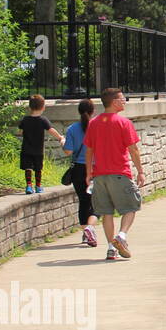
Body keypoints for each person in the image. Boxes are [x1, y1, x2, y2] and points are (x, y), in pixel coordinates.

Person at [84, 88, 145, 262]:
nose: (124, 101)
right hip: (120, 173)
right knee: (132, 207)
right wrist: (140, 171)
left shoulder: (94, 123)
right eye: (122, 98)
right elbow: (133, 149)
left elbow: (89, 150)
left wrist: (89, 173)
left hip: (100, 175)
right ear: (114, 102)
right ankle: (122, 236)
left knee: (106, 212)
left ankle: (111, 248)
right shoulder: (124, 123)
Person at [62, 99, 99, 246]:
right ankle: (90, 226)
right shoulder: (97, 127)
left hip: (78, 168)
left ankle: (86, 233)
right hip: (96, 168)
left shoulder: (72, 129)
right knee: (99, 202)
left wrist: (62, 143)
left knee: (83, 201)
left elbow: (68, 151)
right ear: (93, 111)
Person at [17, 94, 64, 194]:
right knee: (38, 168)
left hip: (26, 149)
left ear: (30, 107)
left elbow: (20, 132)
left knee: (28, 168)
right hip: (38, 150)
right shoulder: (43, 120)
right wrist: (60, 137)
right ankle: (38, 186)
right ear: (43, 107)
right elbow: (51, 130)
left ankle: (29, 186)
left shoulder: (25, 120)